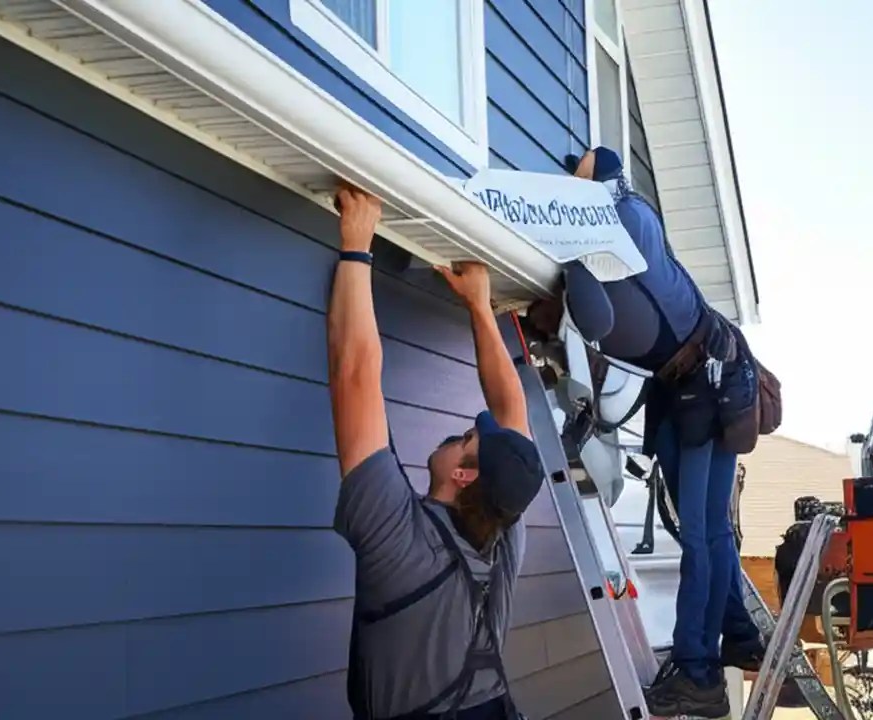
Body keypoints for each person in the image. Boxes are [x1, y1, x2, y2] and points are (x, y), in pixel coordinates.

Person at [527, 147, 766, 719]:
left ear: (597, 176)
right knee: (708, 534)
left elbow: (599, 315)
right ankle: (738, 635)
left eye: (576, 172)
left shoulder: (622, 215)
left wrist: (571, 256)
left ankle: (698, 674)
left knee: (703, 537)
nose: (567, 180)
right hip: (696, 376)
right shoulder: (619, 213)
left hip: (707, 380)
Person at [327, 184, 546, 720]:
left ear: (466, 477)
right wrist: (478, 305)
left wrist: (357, 244)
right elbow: (513, 418)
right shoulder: (499, 527)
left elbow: (354, 375)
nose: (458, 434)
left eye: (467, 440)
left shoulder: (401, 540)